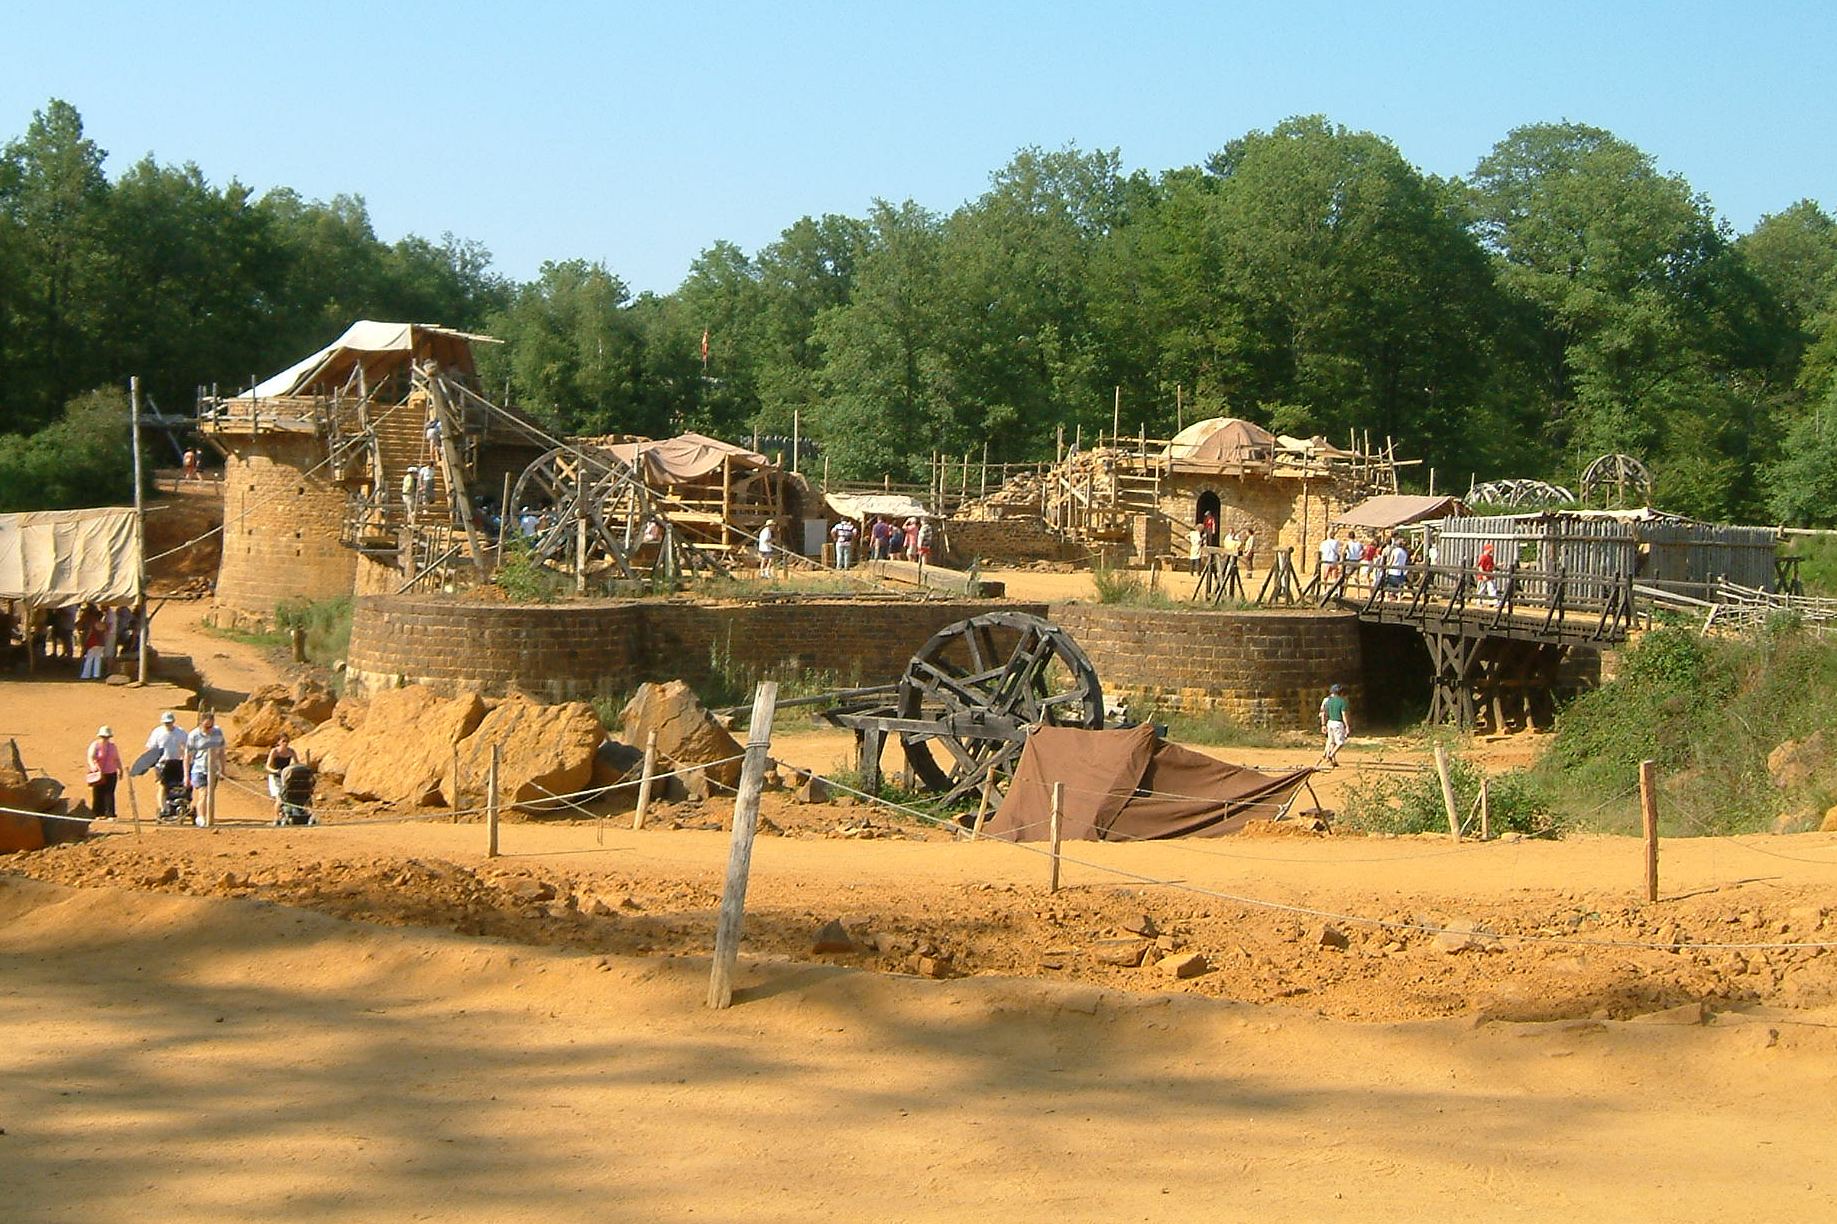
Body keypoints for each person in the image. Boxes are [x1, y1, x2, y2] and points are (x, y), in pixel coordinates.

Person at [184, 712, 226, 818]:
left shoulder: (218, 732)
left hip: (213, 769)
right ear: (201, 723)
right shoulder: (194, 735)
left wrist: (223, 769)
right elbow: (187, 756)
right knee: (204, 792)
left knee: (210, 794)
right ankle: (201, 817)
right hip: (199, 768)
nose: (209, 729)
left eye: (211, 726)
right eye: (206, 726)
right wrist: (186, 776)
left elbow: (221, 752)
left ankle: (208, 817)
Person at [146, 711, 187, 813]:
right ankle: (164, 808)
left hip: (177, 762)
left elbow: (187, 746)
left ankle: (178, 804)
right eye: (166, 723)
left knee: (179, 785)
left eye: (169, 722)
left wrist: (186, 756)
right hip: (162, 763)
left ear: (173, 721)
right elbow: (152, 748)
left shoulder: (180, 732)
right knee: (163, 785)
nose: (168, 725)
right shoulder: (157, 732)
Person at [86, 725, 121, 820]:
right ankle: (97, 813)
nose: (105, 739)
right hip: (98, 773)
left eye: (107, 737)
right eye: (103, 737)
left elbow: (117, 759)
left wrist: (120, 769)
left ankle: (110, 814)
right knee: (98, 792)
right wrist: (93, 767)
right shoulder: (95, 745)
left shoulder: (112, 746)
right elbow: (90, 757)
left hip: (111, 772)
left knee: (109, 793)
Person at [264, 733, 298, 820]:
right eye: (283, 741)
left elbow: (297, 763)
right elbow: (267, 766)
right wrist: (275, 771)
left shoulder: (291, 751)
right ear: (278, 742)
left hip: (286, 776)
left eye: (287, 741)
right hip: (275, 776)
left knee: (289, 796)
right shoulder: (274, 751)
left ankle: (288, 814)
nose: (285, 743)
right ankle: (276, 817)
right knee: (279, 798)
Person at [1318, 684, 1350, 768]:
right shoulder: (1342, 701)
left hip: (1330, 722)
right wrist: (1347, 726)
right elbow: (1344, 715)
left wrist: (1323, 724)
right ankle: (1331, 755)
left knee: (1331, 741)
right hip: (1338, 723)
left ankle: (1332, 760)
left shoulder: (1328, 701)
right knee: (1340, 742)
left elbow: (1323, 713)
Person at [78, 614, 106, 680]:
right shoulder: (103, 625)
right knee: (97, 659)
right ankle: (96, 675)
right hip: (101, 643)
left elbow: (89, 634)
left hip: (93, 643)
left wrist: (85, 640)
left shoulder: (93, 624)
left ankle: (85, 675)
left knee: (89, 659)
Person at [1476, 542, 1499, 606]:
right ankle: (1479, 602)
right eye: (1490, 549)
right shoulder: (1483, 557)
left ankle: (1494, 602)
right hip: (1482, 577)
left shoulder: (1490, 557)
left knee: (1492, 588)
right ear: (1487, 549)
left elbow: (1492, 566)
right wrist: (1483, 575)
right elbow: (1480, 567)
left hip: (1489, 576)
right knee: (1481, 589)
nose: (1491, 551)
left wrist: (1498, 566)